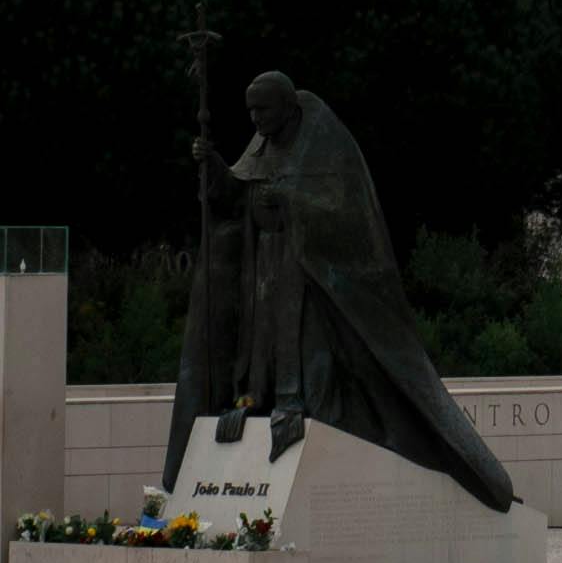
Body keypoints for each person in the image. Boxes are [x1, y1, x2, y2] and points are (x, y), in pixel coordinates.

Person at [163, 69, 516, 515]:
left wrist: (290, 203)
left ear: (287, 106)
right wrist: (213, 166)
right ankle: (255, 401)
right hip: (265, 274)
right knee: (262, 345)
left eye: (262, 109)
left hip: (311, 282)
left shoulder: (325, 142)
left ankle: (302, 411)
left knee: (312, 355)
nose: (255, 119)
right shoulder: (263, 144)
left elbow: (349, 218)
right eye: (250, 110)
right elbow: (236, 197)